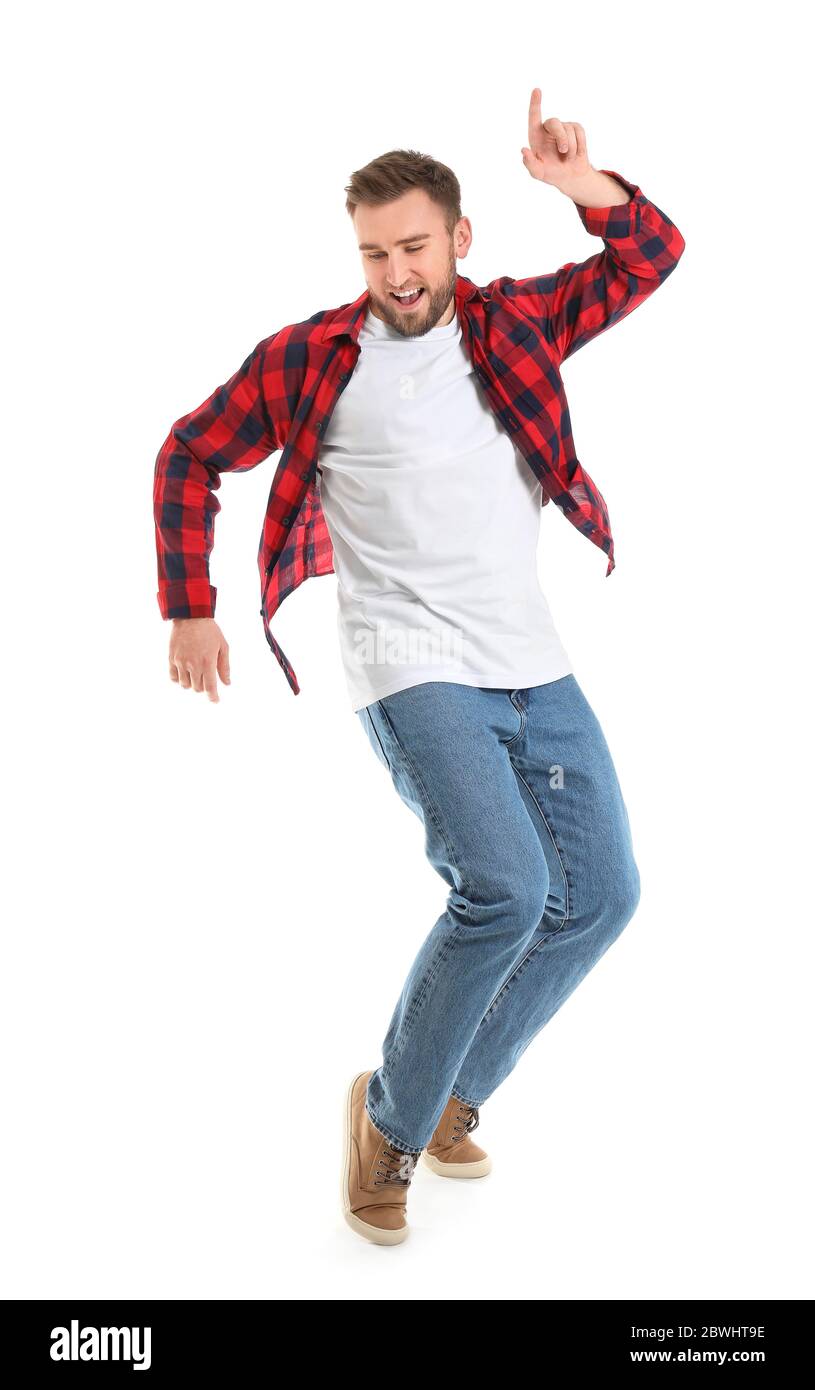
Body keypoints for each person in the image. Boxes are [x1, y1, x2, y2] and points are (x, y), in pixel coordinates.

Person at [153, 89, 685, 1246]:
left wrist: (581, 187)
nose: (396, 273)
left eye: (414, 246)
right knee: (503, 887)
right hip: (405, 663)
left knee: (599, 897)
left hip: (530, 662)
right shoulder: (309, 359)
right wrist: (189, 607)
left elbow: (650, 254)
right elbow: (190, 452)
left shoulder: (516, 325)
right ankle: (389, 1124)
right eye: (374, 252)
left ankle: (443, 1094)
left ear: (459, 239)